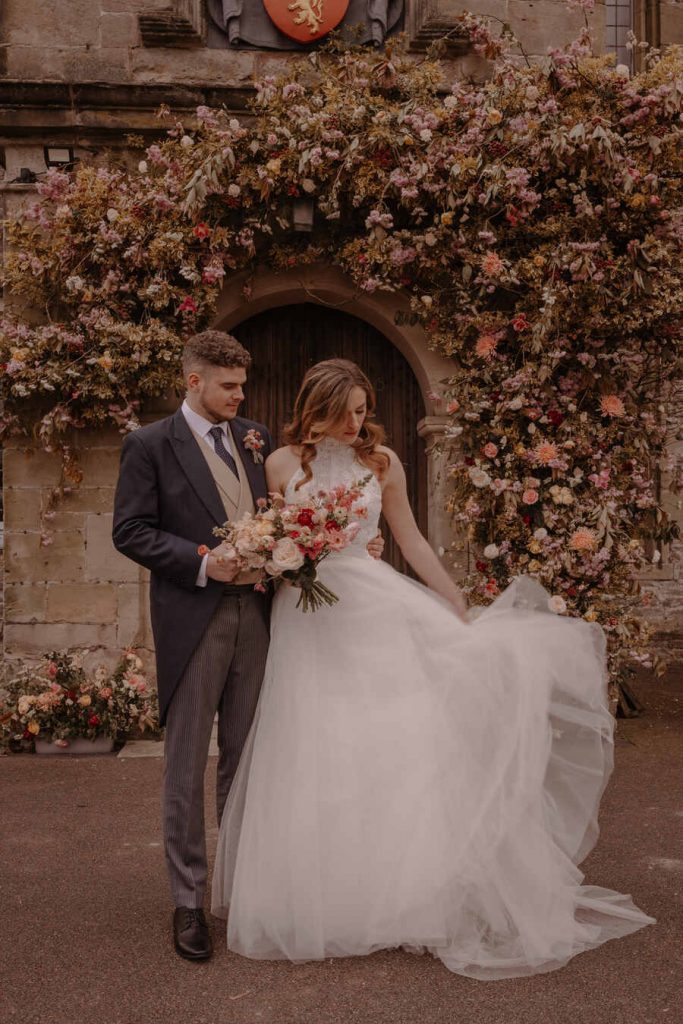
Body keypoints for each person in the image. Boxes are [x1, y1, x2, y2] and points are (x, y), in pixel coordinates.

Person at [211, 357, 654, 980]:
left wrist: (453, 600)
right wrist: (283, 558)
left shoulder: (382, 464)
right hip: (305, 619)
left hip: (371, 605)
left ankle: (406, 895)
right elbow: (263, 535)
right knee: (315, 747)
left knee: (396, 742)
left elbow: (410, 538)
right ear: (317, 411)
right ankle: (326, 898)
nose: (358, 423)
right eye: (346, 414)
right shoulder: (279, 465)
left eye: (363, 411)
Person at [112, 330, 386, 962]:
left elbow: (296, 517)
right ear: (195, 382)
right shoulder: (150, 445)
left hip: (264, 618)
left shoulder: (255, 439)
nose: (241, 396)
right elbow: (130, 531)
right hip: (193, 618)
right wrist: (205, 561)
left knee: (249, 757)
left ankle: (241, 888)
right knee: (186, 764)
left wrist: (343, 547)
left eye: (243, 385)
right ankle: (189, 903)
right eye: (229, 386)